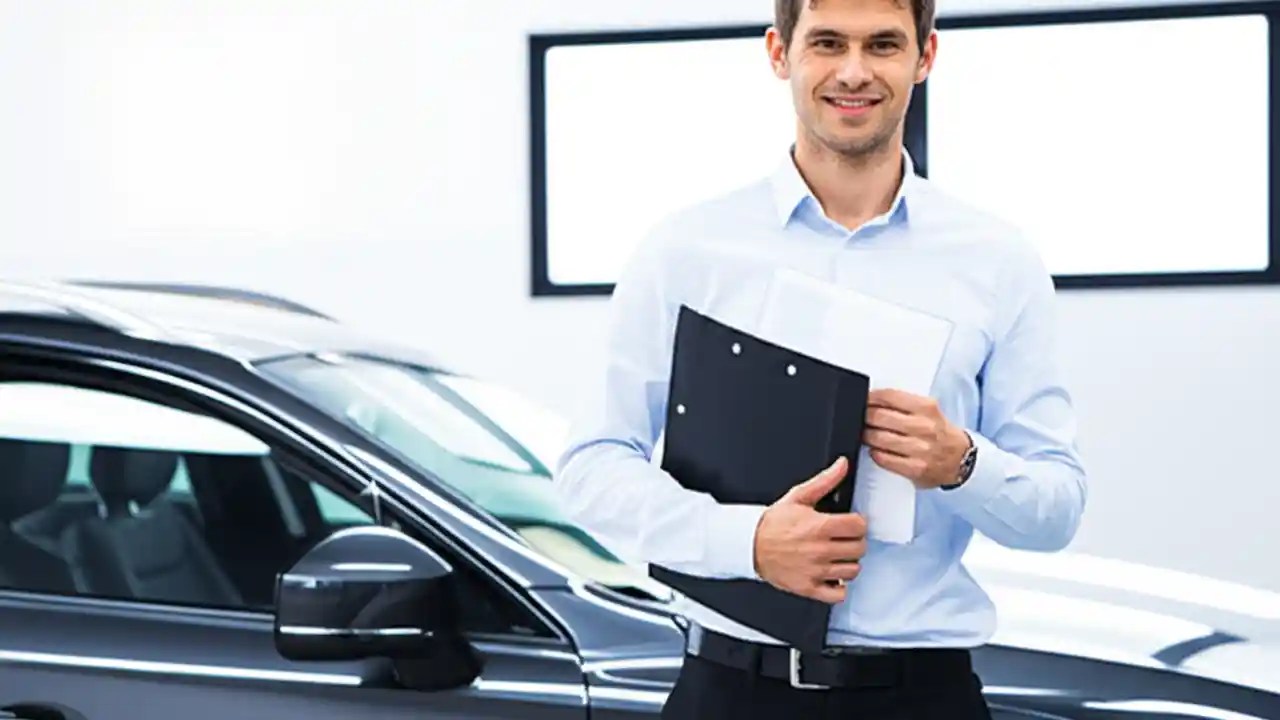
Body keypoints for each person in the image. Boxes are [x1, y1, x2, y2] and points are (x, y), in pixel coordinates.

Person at [554, 0, 1087, 717]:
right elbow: (591, 469)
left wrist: (961, 462)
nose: (855, 72)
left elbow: (1056, 509)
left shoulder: (998, 261)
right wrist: (748, 543)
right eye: (828, 43)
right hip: (731, 691)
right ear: (780, 54)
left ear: (926, 57)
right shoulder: (687, 251)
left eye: (884, 45)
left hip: (921, 698)